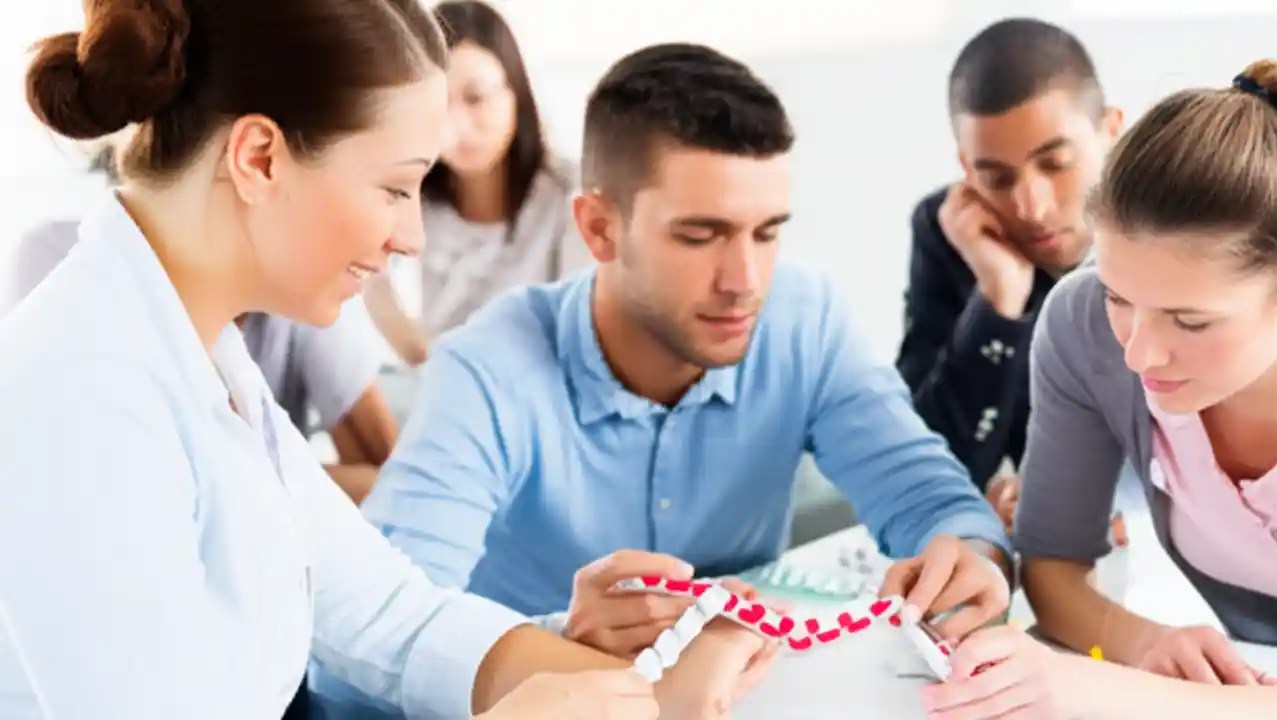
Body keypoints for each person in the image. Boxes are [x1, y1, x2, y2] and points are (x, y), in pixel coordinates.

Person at [0, 1, 772, 718]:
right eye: (396, 188)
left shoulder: (207, 359)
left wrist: (647, 678)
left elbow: (393, 619)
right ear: (260, 157)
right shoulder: (81, 389)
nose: (414, 237)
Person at [358, 42, 1012, 661]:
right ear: (598, 227)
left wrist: (972, 560)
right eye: (701, 236)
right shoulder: (487, 368)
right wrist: (558, 644)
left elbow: (932, 499)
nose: (745, 282)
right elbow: (373, 636)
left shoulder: (805, 319)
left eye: (766, 233)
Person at [919, 60, 1277, 720]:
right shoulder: (1084, 324)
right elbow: (1051, 562)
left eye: (1191, 321)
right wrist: (1137, 643)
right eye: (1121, 297)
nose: (1138, 352)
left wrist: (1110, 689)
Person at [3, 148, 395, 503]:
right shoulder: (58, 260)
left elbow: (395, 480)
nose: (407, 238)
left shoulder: (299, 293)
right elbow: (91, 470)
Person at [894, 19, 1122, 529]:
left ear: (1111, 131)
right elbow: (920, 466)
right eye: (996, 178)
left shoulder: (1177, 218)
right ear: (966, 169)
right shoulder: (954, 233)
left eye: (1056, 164)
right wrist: (999, 298)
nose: (1031, 207)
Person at [364, 0, 588, 367]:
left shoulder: (569, 194)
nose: (458, 126)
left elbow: (579, 331)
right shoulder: (416, 196)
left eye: (476, 98)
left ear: (514, 89)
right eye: (440, 103)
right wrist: (424, 357)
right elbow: (372, 282)